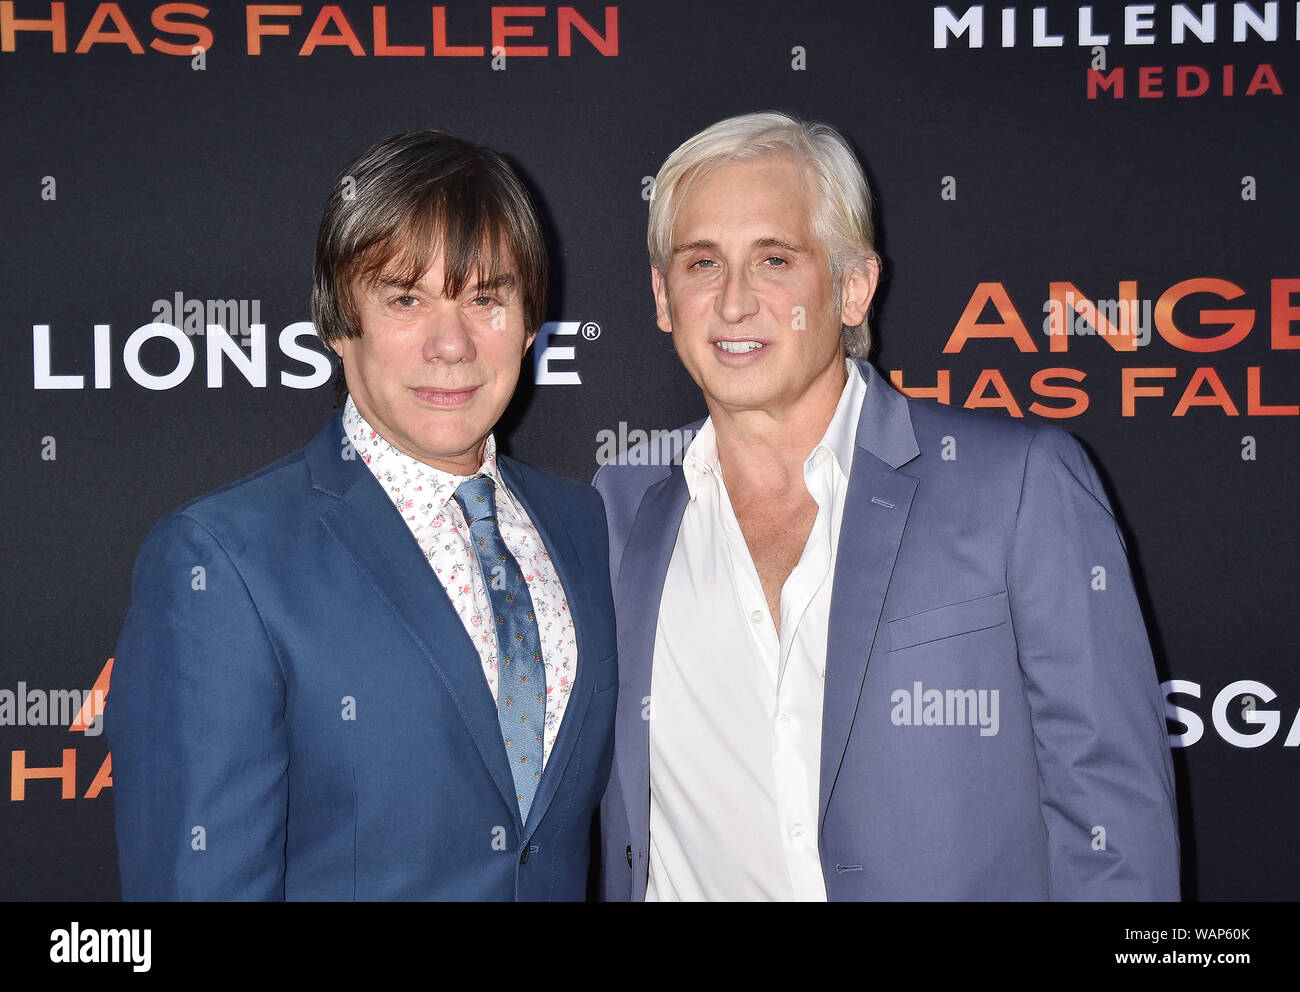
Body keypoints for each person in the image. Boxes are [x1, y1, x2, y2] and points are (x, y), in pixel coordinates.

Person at [596, 112, 1179, 901]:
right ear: (664, 297)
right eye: (702, 263)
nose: (734, 302)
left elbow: (1114, 814)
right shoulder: (617, 509)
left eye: (774, 258)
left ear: (852, 287)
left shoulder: (1018, 486)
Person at [108, 130, 617, 900]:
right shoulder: (224, 560)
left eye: (486, 299)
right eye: (407, 299)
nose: (452, 344)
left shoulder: (585, 524)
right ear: (341, 322)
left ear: (528, 321)